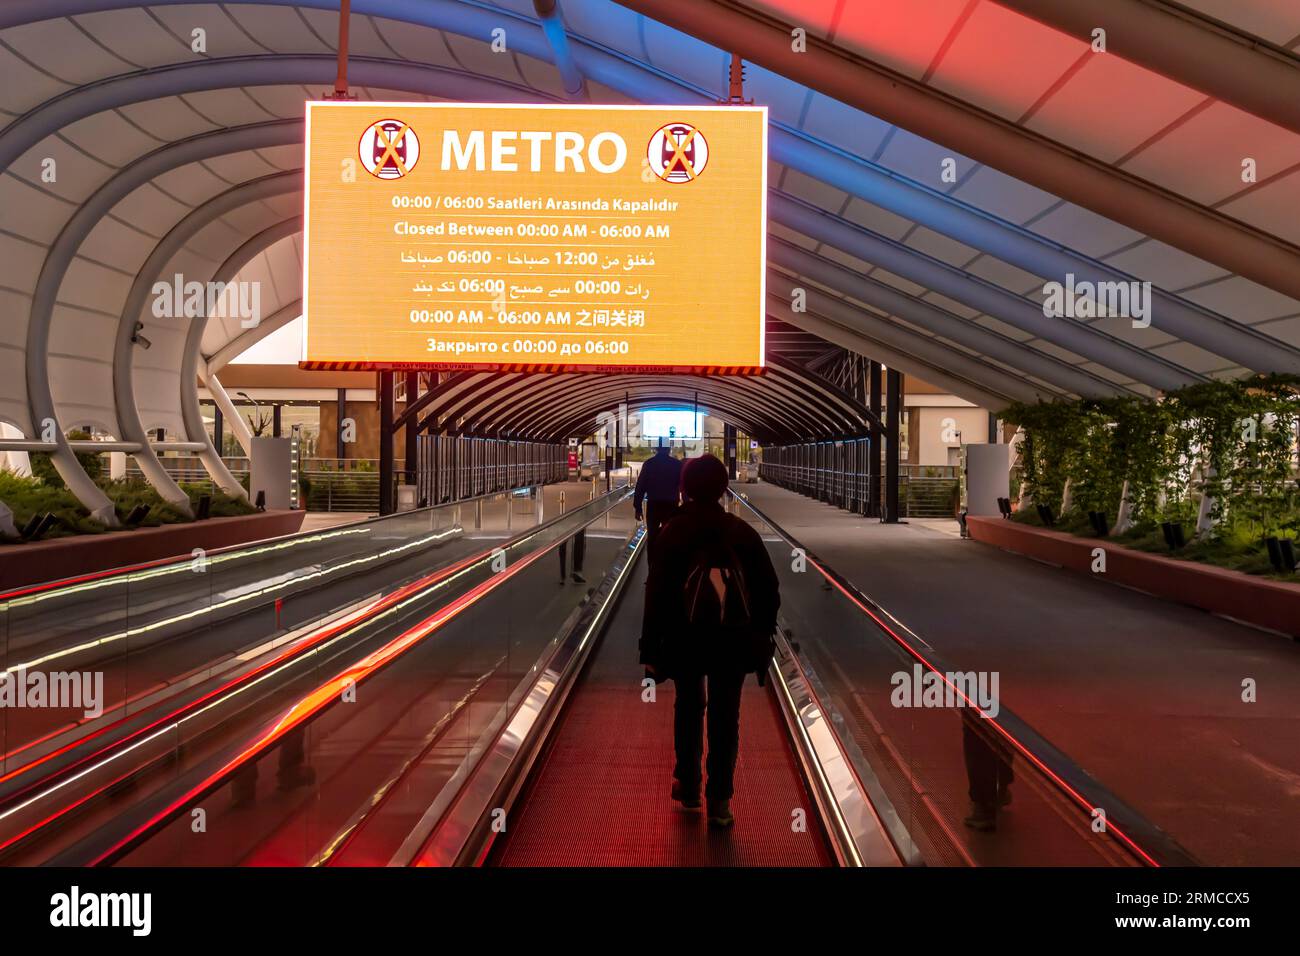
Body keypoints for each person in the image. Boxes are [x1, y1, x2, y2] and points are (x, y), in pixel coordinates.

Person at [640, 454, 780, 828]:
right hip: (732, 640)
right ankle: (720, 799)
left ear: (684, 488)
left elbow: (656, 593)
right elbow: (768, 589)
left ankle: (687, 786)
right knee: (725, 714)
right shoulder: (741, 532)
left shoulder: (673, 532)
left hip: (685, 638)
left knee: (689, 705)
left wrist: (650, 649)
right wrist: (762, 635)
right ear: (723, 487)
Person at [633, 443, 683, 544]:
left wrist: (638, 507)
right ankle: (667, 558)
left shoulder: (649, 464)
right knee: (670, 536)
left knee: (652, 535)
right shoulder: (677, 464)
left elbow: (640, 487)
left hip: (654, 504)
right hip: (671, 505)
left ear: (656, 449)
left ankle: (652, 558)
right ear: (669, 449)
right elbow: (684, 485)